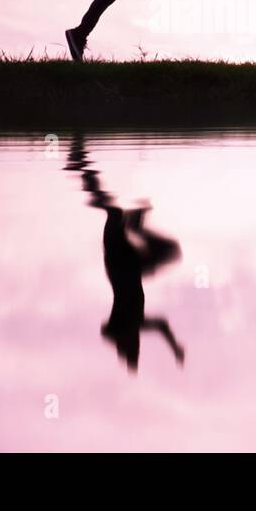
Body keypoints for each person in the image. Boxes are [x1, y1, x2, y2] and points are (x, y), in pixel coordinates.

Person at [66, 135, 186, 373]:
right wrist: (174, 347)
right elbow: (161, 325)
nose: (137, 340)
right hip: (133, 265)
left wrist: (126, 352)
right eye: (137, 344)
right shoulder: (137, 325)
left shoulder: (120, 328)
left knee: (114, 212)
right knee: (171, 251)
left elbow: (106, 331)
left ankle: (79, 164)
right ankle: (136, 226)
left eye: (135, 343)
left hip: (120, 264)